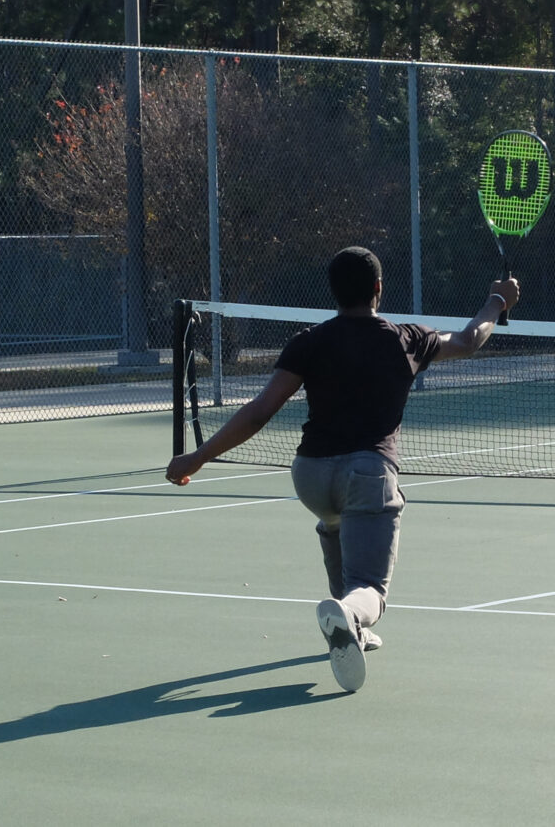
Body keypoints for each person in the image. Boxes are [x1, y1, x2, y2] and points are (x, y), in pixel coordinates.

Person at [166, 246, 521, 692]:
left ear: (333, 293)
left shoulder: (307, 342)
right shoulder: (405, 338)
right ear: (378, 289)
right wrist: (496, 301)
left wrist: (196, 457)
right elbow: (470, 339)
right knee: (370, 586)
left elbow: (258, 412)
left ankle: (351, 625)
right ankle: (353, 613)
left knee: (334, 521)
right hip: (368, 474)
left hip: (311, 476)